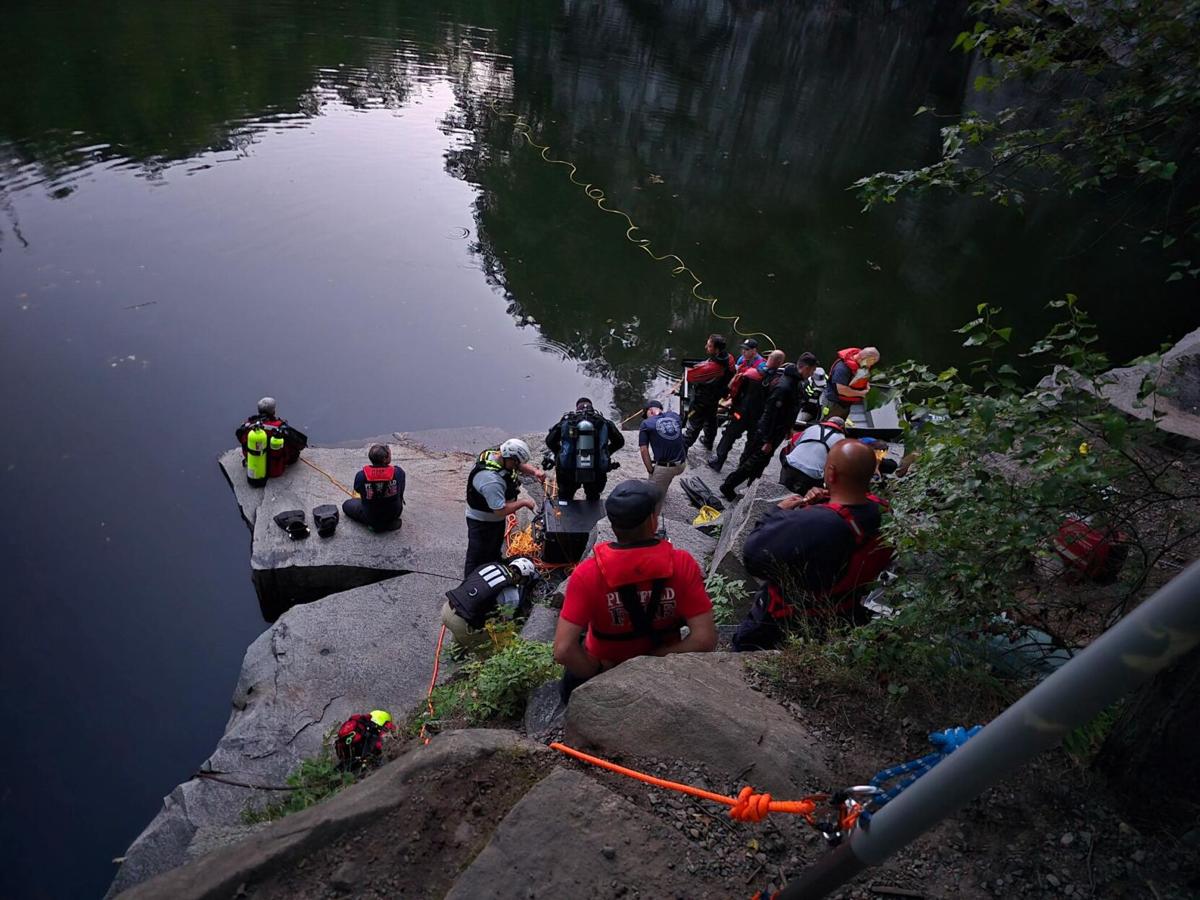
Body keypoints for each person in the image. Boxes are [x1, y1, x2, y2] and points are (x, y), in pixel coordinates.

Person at [553, 480, 716, 698]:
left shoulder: (587, 574)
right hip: (661, 672)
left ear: (612, 527)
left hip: (605, 664)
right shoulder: (682, 564)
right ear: (652, 521)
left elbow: (563, 649)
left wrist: (597, 672)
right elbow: (705, 638)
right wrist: (654, 658)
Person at [731, 440, 892, 651]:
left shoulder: (817, 523)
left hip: (790, 616)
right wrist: (829, 499)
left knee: (745, 651)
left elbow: (752, 556)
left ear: (831, 473)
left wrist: (777, 512)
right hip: (843, 610)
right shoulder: (883, 511)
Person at [720, 351, 815, 500]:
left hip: (776, 431)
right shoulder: (784, 387)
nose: (812, 374)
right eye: (812, 370)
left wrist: (789, 428)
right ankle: (728, 486)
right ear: (806, 368)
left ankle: (752, 486)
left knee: (762, 462)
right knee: (752, 462)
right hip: (767, 433)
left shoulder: (795, 383)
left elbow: (789, 412)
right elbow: (770, 414)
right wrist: (768, 440)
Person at [464, 438, 545, 576]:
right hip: (482, 523)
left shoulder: (497, 455)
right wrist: (524, 502)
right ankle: (470, 586)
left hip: (494, 522)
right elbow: (500, 511)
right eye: (516, 462)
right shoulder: (491, 481)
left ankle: (495, 566)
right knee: (477, 556)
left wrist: (534, 472)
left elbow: (518, 466)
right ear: (510, 459)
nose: (518, 466)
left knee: (494, 549)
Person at [442, 557, 539, 654]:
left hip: (447, 609)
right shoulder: (512, 595)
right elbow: (504, 623)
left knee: (464, 620)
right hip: (463, 625)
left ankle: (455, 652)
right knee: (489, 647)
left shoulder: (491, 566)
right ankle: (480, 663)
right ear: (521, 577)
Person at [545, 398, 625, 502]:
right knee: (593, 498)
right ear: (592, 408)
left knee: (565, 497)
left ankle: (565, 514)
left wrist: (559, 454)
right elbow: (619, 442)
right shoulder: (603, 422)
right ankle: (593, 515)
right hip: (596, 470)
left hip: (568, 471)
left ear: (577, 408)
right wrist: (606, 452)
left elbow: (550, 441)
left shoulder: (568, 421)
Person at [708, 352, 777, 472]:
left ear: (769, 359)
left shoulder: (751, 374)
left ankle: (719, 461)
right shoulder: (778, 381)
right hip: (759, 417)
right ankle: (742, 467)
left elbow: (735, 390)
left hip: (742, 412)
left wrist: (734, 404)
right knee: (752, 442)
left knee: (729, 435)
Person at [235, 397, 307, 486]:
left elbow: (239, 436)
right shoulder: (279, 427)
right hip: (275, 469)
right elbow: (301, 444)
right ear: (274, 411)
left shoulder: (248, 425)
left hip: (255, 464)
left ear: (258, 410)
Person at [682, 334, 737, 450]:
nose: (706, 347)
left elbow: (690, 377)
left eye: (709, 346)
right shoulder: (730, 358)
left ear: (716, 349)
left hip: (702, 399)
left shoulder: (712, 368)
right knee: (711, 419)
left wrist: (701, 368)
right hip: (716, 396)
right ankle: (708, 441)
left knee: (694, 423)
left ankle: (684, 446)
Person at [341, 444, 405, 532]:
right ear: (385, 459)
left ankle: (375, 525)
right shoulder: (398, 472)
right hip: (394, 513)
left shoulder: (361, 475)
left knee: (346, 504)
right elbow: (401, 491)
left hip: (371, 516)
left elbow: (358, 490)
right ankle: (388, 523)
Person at [779, 416, 846, 494]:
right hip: (812, 477)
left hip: (790, 466)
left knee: (785, 450)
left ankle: (784, 480)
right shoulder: (842, 439)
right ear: (841, 427)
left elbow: (793, 443)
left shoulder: (812, 428)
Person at [638, 400, 688, 493]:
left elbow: (643, 450)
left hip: (666, 467)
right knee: (666, 475)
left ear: (651, 411)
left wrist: (650, 470)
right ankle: (664, 483)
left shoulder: (646, 424)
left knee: (652, 494)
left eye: (646, 415)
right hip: (682, 463)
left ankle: (659, 491)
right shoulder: (674, 416)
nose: (646, 418)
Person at [823, 347, 880, 420]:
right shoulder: (842, 368)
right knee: (830, 425)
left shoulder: (861, 364)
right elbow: (841, 390)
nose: (870, 366)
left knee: (841, 423)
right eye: (871, 362)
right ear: (863, 358)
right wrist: (861, 393)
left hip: (846, 404)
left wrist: (867, 385)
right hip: (834, 404)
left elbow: (863, 378)